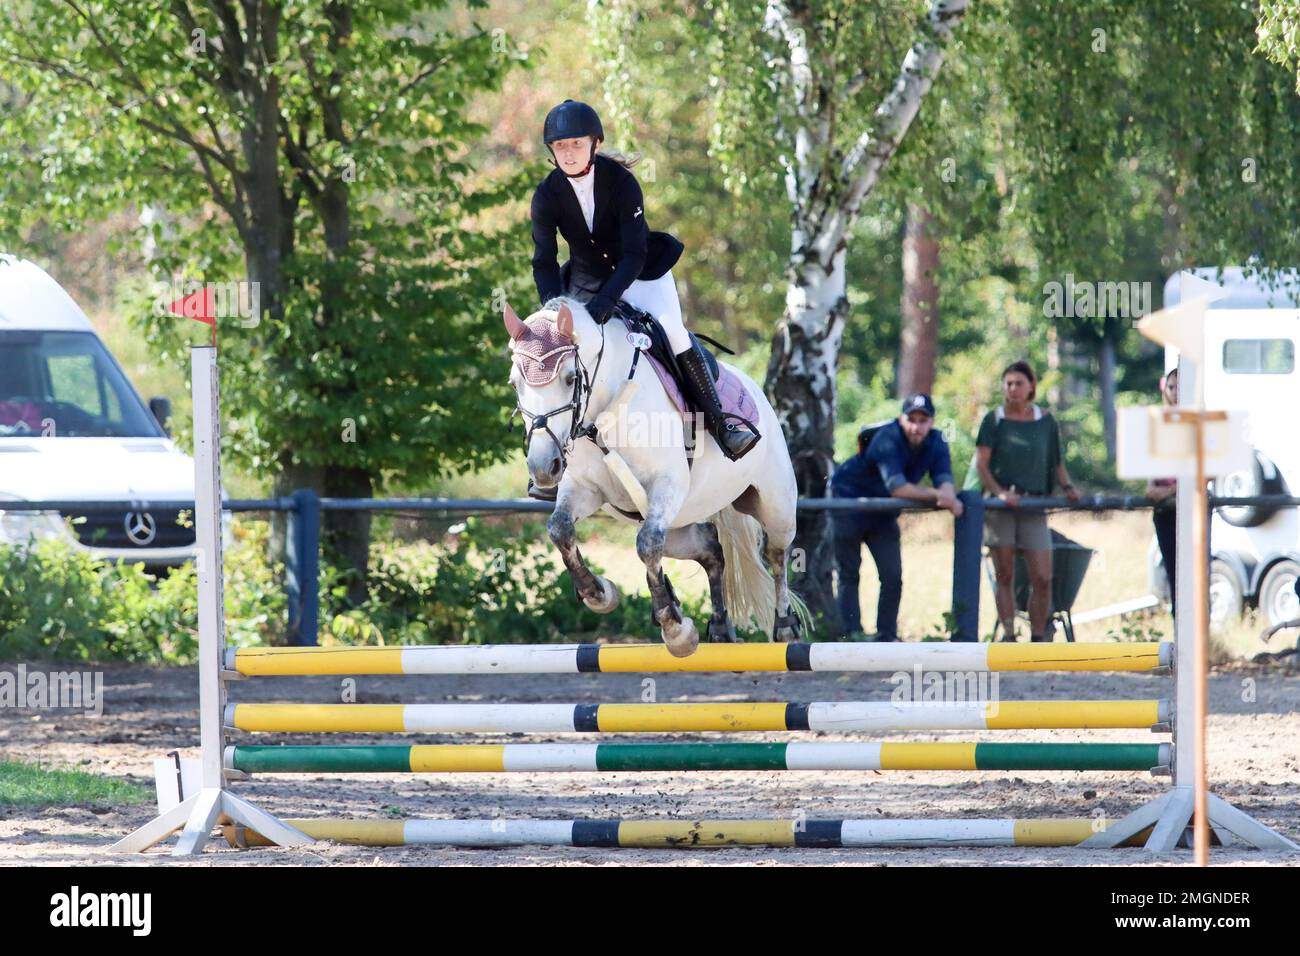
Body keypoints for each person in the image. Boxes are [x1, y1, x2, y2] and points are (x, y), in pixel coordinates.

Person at [527, 99, 757, 502]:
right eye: (560, 146)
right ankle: (551, 465)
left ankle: (721, 424)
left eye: (576, 144)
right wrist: (551, 313)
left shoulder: (620, 182)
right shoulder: (546, 195)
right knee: (555, 356)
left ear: (594, 144)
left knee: (672, 331)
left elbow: (632, 255)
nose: (568, 152)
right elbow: (544, 261)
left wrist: (603, 305)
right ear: (552, 151)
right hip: (583, 278)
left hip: (640, 271)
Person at [832, 394, 963, 642]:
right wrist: (940, 496)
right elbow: (899, 489)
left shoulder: (936, 441)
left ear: (932, 422)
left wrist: (947, 494)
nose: (916, 426)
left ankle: (886, 636)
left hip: (882, 514)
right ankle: (852, 635)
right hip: (849, 502)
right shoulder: (887, 438)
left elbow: (944, 479)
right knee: (849, 573)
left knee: (892, 576)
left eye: (923, 420)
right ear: (901, 419)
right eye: (911, 419)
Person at [975, 361, 1081, 643]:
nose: (1012, 389)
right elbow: (981, 465)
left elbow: (1056, 462)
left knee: (1043, 577)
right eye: (1008, 383)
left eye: (1018, 383)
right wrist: (999, 493)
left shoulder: (1046, 421)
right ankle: (1009, 635)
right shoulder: (993, 419)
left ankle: (1038, 637)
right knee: (1005, 574)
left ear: (1031, 386)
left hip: (1034, 504)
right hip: (1001, 508)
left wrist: (1068, 486)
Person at [1146, 368, 1179, 617]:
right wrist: (1153, 489)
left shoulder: (1204, 422)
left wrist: (1170, 490)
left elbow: (1210, 472)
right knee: (1173, 574)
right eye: (1171, 387)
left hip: (1193, 511)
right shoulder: (1156, 424)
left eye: (1181, 387)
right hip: (1165, 511)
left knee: (1195, 578)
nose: (1176, 393)